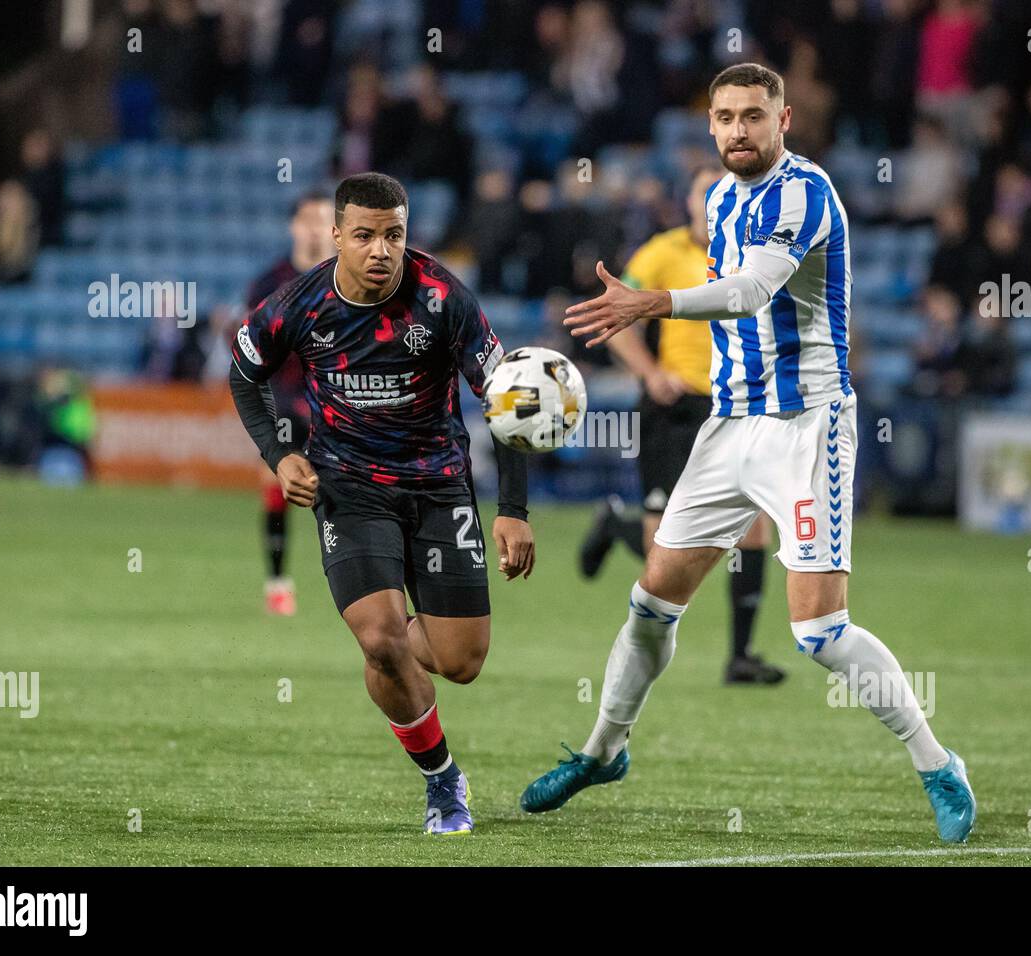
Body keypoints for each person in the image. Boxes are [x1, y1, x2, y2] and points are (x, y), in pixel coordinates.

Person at [520, 64, 976, 843]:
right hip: (729, 425)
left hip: (807, 426)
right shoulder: (723, 197)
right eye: (725, 117)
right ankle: (604, 750)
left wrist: (654, 302)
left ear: (783, 119)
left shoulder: (804, 193)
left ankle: (938, 764)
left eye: (753, 117)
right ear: (709, 125)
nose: (738, 130)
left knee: (819, 634)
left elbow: (752, 292)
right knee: (651, 599)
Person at [230, 173, 533, 835]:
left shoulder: (443, 297)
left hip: (438, 485)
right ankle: (443, 784)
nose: (380, 249)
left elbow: (507, 396)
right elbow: (243, 373)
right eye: (364, 235)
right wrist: (279, 456)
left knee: (461, 663)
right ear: (335, 236)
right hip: (349, 490)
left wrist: (513, 508)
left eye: (393, 234)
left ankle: (407, 646)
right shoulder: (297, 304)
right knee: (379, 640)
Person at [578, 167, 784, 685]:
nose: (715, 202)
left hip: (735, 409)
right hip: (676, 410)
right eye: (705, 193)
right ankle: (616, 523)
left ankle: (741, 656)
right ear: (691, 202)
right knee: (661, 547)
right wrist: (649, 373)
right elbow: (614, 312)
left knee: (754, 529)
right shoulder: (662, 252)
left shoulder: (754, 256)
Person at [241, 191, 336, 615]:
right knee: (278, 487)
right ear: (294, 227)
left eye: (323, 220)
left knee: (346, 491)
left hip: (337, 401)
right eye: (308, 220)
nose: (315, 228)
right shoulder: (268, 283)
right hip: (282, 401)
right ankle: (278, 581)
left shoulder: (348, 279)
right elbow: (249, 352)